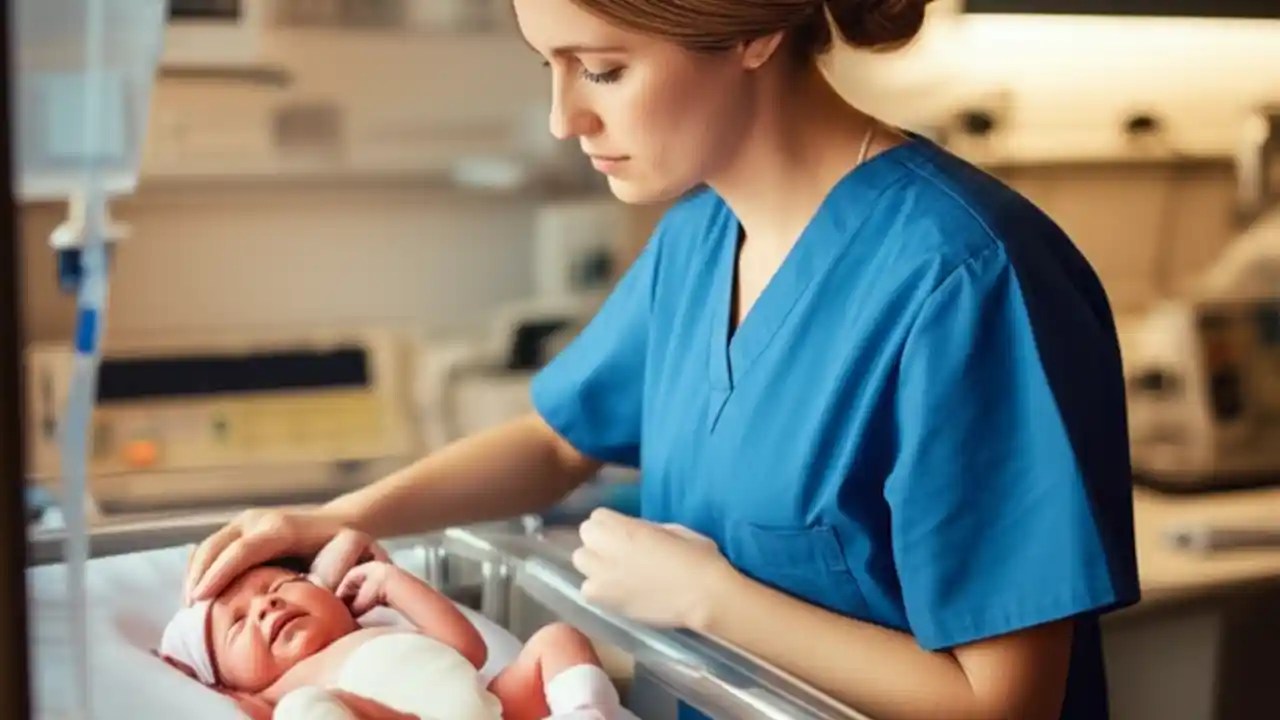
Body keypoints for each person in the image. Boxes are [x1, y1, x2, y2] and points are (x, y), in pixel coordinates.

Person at [185, 0, 1141, 718]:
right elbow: (558, 439)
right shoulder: (700, 242)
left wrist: (712, 598)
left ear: (752, 32)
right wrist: (341, 517)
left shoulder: (968, 284)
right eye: (548, 66)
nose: (564, 118)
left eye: (599, 69)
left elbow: (1000, 703)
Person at [161, 538, 622, 720]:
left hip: (494, 711)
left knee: (556, 640)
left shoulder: (377, 632)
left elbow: (468, 650)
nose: (267, 605)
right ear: (224, 679)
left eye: (281, 584)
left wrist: (390, 582)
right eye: (237, 623)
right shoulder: (276, 693)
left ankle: (585, 713)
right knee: (305, 711)